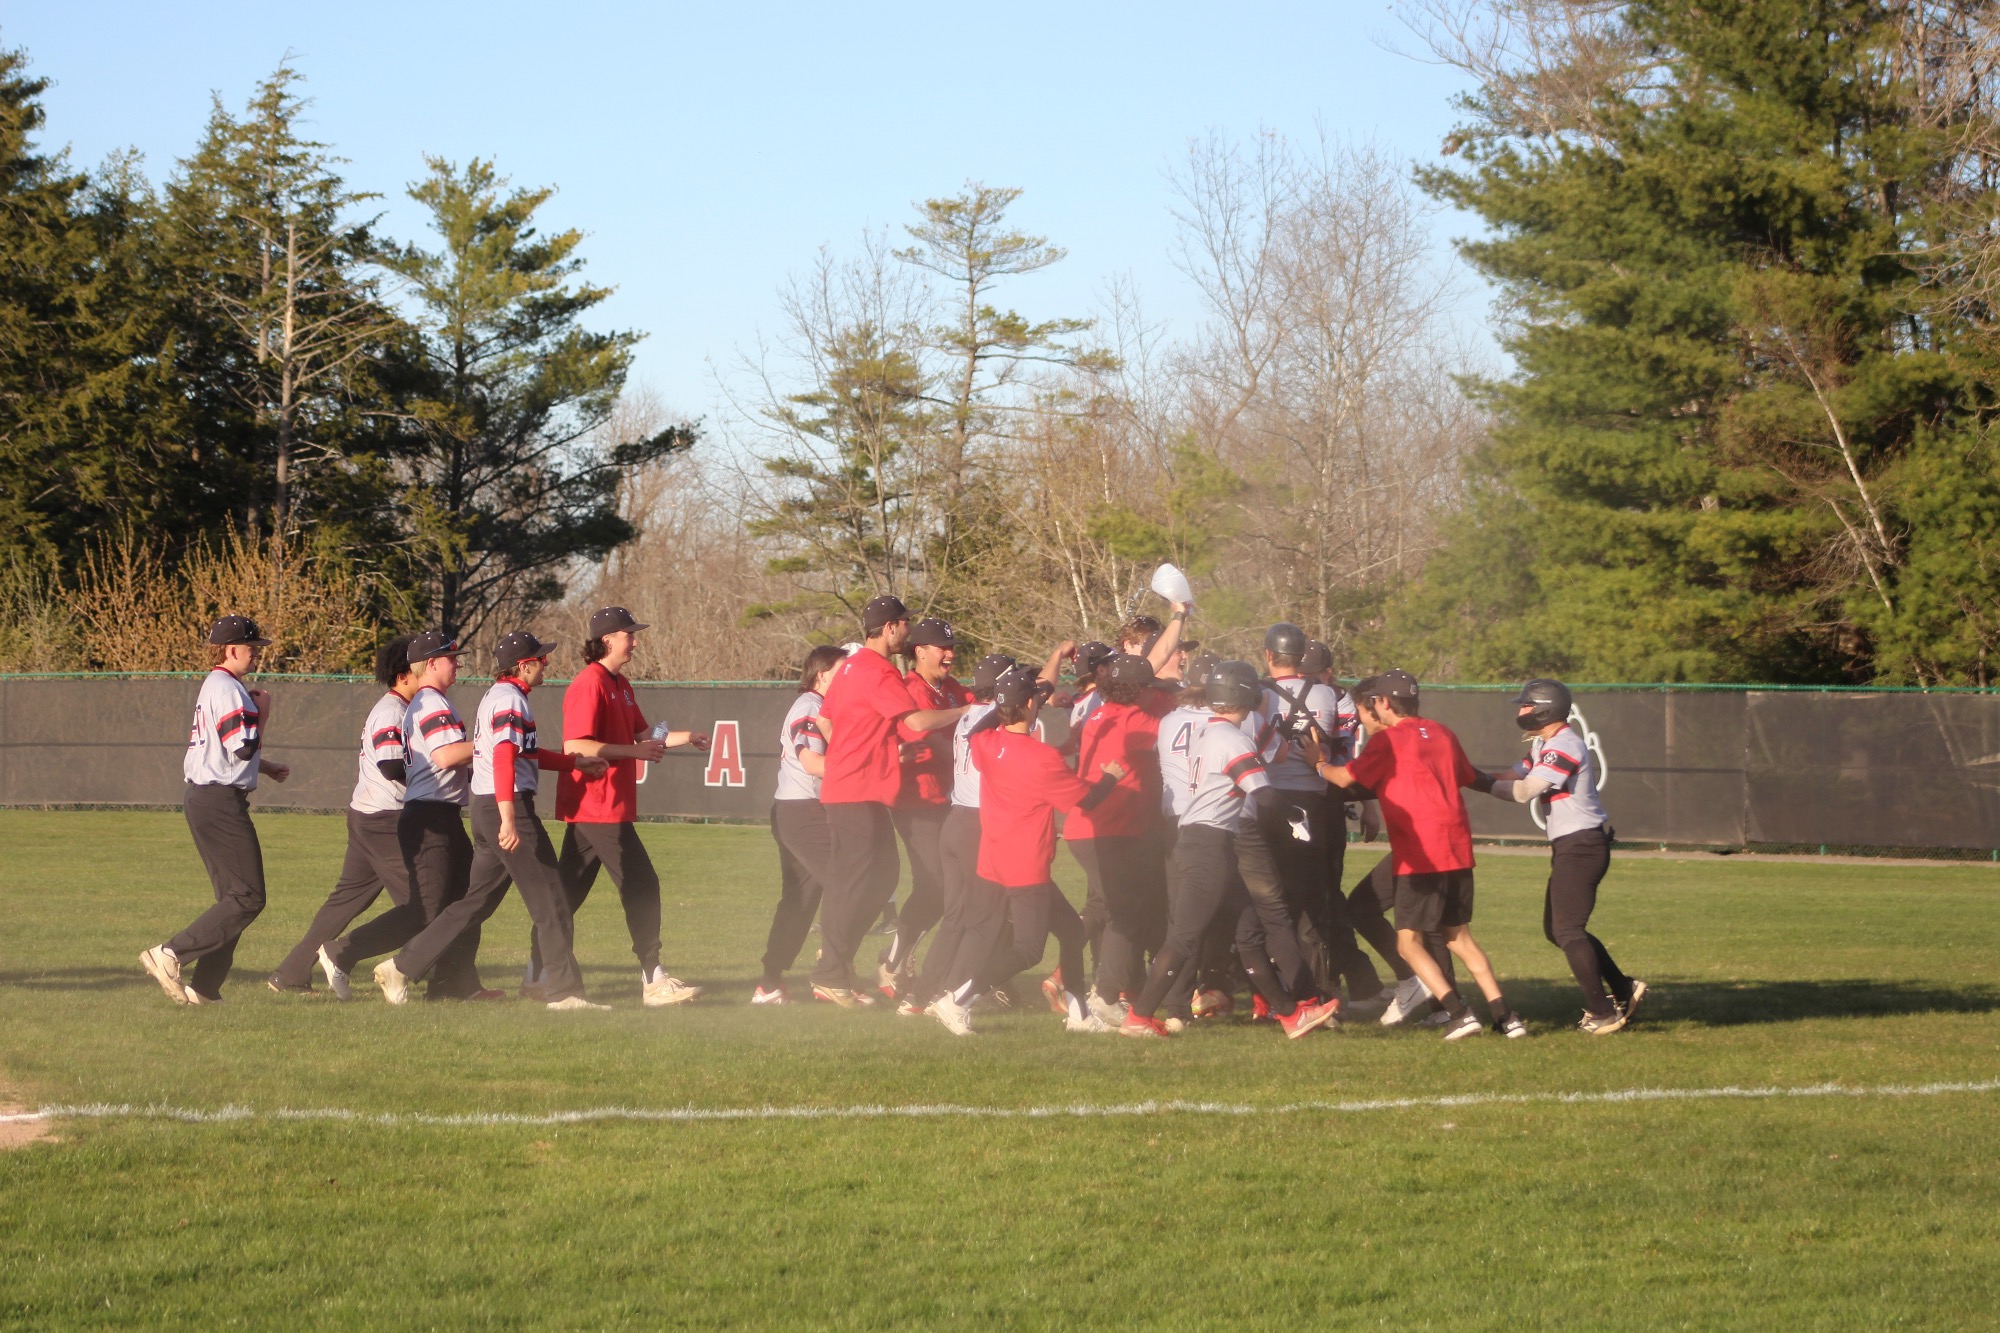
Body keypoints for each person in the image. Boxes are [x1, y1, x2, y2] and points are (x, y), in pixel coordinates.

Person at [373, 632, 608, 1009]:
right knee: (552, 901)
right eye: (541, 659)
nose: (545, 664)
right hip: (505, 806)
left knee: (474, 903)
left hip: (487, 806)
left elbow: (521, 752)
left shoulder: (500, 695)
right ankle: (564, 992)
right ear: (524, 665)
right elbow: (502, 757)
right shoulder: (509, 698)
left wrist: (572, 762)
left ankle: (402, 966)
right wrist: (509, 819)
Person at [1121, 661, 1341, 1040]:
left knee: (1248, 933)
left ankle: (1291, 1015)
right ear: (1247, 695)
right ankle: (1139, 1017)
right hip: (1208, 845)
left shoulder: (1212, 731)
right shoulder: (1232, 738)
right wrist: (1296, 815)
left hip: (1210, 843)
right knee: (1184, 938)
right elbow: (1264, 795)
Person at [1315, 671, 1526, 1040]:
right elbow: (1467, 776)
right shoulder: (1441, 732)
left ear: (1383, 702)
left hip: (1419, 852)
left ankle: (1458, 1014)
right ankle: (1507, 1017)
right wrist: (1506, 784)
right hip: (1456, 848)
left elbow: (1344, 779)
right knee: (1459, 938)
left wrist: (1316, 762)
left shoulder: (1388, 741)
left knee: (1408, 944)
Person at [926, 667, 1122, 1037]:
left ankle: (1079, 1015)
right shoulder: (1041, 757)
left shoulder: (987, 743)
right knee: (1029, 950)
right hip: (1025, 864)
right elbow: (1087, 799)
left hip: (995, 857)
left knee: (1071, 931)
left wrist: (1010, 698)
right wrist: (1111, 776)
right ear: (1031, 704)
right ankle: (957, 1000)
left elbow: (977, 728)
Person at [528, 605, 707, 1007]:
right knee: (643, 885)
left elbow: (646, 734)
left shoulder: (621, 684)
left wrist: (686, 736)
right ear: (607, 640)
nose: (636, 641)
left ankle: (536, 973)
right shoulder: (588, 683)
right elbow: (576, 745)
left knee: (566, 895)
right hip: (596, 804)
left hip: (605, 806)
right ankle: (653, 978)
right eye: (630, 634)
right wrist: (633, 751)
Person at [810, 595, 967, 1007]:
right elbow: (916, 721)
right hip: (856, 790)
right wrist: (966, 711)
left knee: (879, 881)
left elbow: (825, 718)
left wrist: (856, 752)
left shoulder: (852, 666)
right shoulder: (879, 671)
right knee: (853, 883)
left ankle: (838, 968)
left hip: (860, 788)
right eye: (904, 623)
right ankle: (829, 974)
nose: (908, 630)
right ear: (890, 627)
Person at [316, 631, 488, 1002]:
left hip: (442, 813)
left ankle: (455, 985)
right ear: (432, 663)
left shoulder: (432, 701)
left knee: (466, 903)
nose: (458, 663)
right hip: (427, 816)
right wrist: (495, 742)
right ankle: (341, 951)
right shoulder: (428, 702)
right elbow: (443, 756)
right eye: (451, 657)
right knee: (425, 911)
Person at [1476, 678, 1646, 1034]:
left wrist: (1480, 783)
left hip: (1581, 846)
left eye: (1526, 704)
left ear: (1544, 709)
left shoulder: (1564, 744)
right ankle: (1623, 987)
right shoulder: (1545, 743)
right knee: (1559, 930)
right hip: (1574, 846)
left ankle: (1602, 1012)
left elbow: (1524, 790)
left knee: (1567, 930)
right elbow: (1512, 774)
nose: (1521, 710)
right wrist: (1472, 777)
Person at [141, 615, 291, 1005]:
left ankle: (206, 988)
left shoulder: (218, 685)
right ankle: (170, 954)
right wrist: (263, 714)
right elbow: (241, 747)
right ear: (231, 650)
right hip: (218, 801)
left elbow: (224, 749)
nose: (256, 653)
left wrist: (265, 767)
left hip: (208, 798)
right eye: (251, 647)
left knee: (233, 898)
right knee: (248, 897)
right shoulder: (227, 689)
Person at [268, 635, 418, 994]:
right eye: (421, 667)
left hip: (368, 815)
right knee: (423, 904)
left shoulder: (400, 709)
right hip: (385, 820)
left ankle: (290, 974)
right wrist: (439, 773)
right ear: (403, 675)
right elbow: (390, 765)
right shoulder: (392, 711)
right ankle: (344, 954)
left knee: (344, 902)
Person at [1248, 622, 1370, 1007]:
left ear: (1269, 655)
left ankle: (1279, 992)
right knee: (1313, 899)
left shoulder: (1259, 694)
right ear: (1302, 656)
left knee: (1271, 900)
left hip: (1271, 801)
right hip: (1315, 802)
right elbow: (1340, 744)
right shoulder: (1327, 694)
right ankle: (1321, 989)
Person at [879, 617, 973, 997]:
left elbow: (982, 705)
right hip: (916, 803)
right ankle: (894, 963)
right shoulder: (911, 689)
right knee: (936, 885)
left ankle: (899, 960)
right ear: (919, 651)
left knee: (949, 888)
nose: (950, 654)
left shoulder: (950, 688)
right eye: (942, 648)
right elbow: (926, 735)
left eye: (952, 648)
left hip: (947, 801)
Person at [755, 644, 850, 1004]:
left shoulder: (820, 706)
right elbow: (812, 763)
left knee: (800, 901)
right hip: (802, 811)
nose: (848, 677)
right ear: (822, 674)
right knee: (847, 885)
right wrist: (868, 768)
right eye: (842, 670)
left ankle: (769, 984)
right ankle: (834, 974)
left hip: (798, 809)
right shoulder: (810, 706)